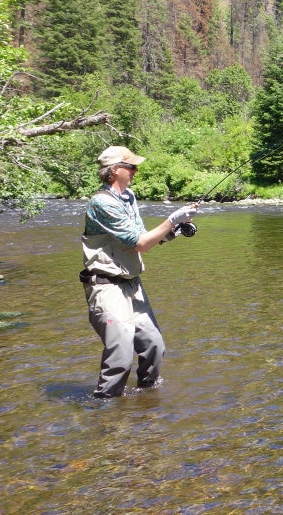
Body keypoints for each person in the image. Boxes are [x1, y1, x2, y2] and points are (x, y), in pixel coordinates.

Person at [80, 146, 197, 398]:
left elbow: (143, 239)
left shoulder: (128, 197)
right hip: (106, 286)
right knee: (120, 356)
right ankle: (106, 413)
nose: (136, 171)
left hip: (132, 283)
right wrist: (172, 219)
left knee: (154, 345)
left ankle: (147, 404)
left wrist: (173, 232)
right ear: (114, 170)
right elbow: (140, 243)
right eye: (131, 166)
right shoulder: (101, 202)